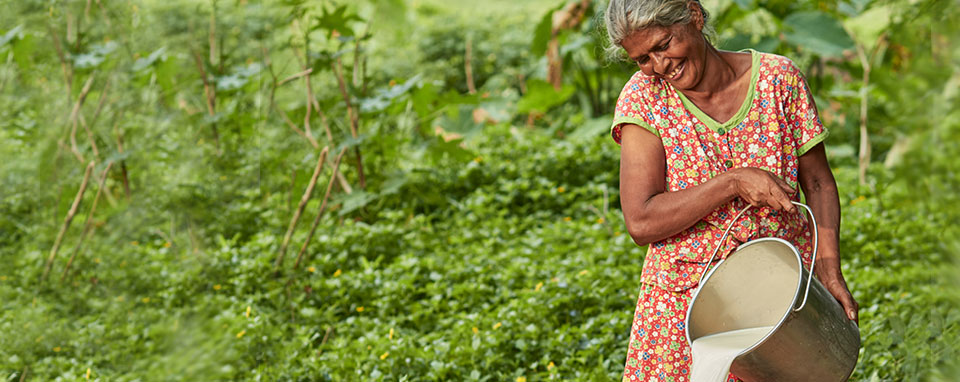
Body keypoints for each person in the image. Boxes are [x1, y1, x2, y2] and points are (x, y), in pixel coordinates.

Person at [603, 1, 859, 381]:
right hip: (685, 307)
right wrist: (732, 182)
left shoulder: (777, 80)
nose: (659, 66)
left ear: (694, 15)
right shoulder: (645, 99)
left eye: (663, 45)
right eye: (642, 59)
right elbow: (641, 221)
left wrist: (828, 269)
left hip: (776, 297)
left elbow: (818, 182)